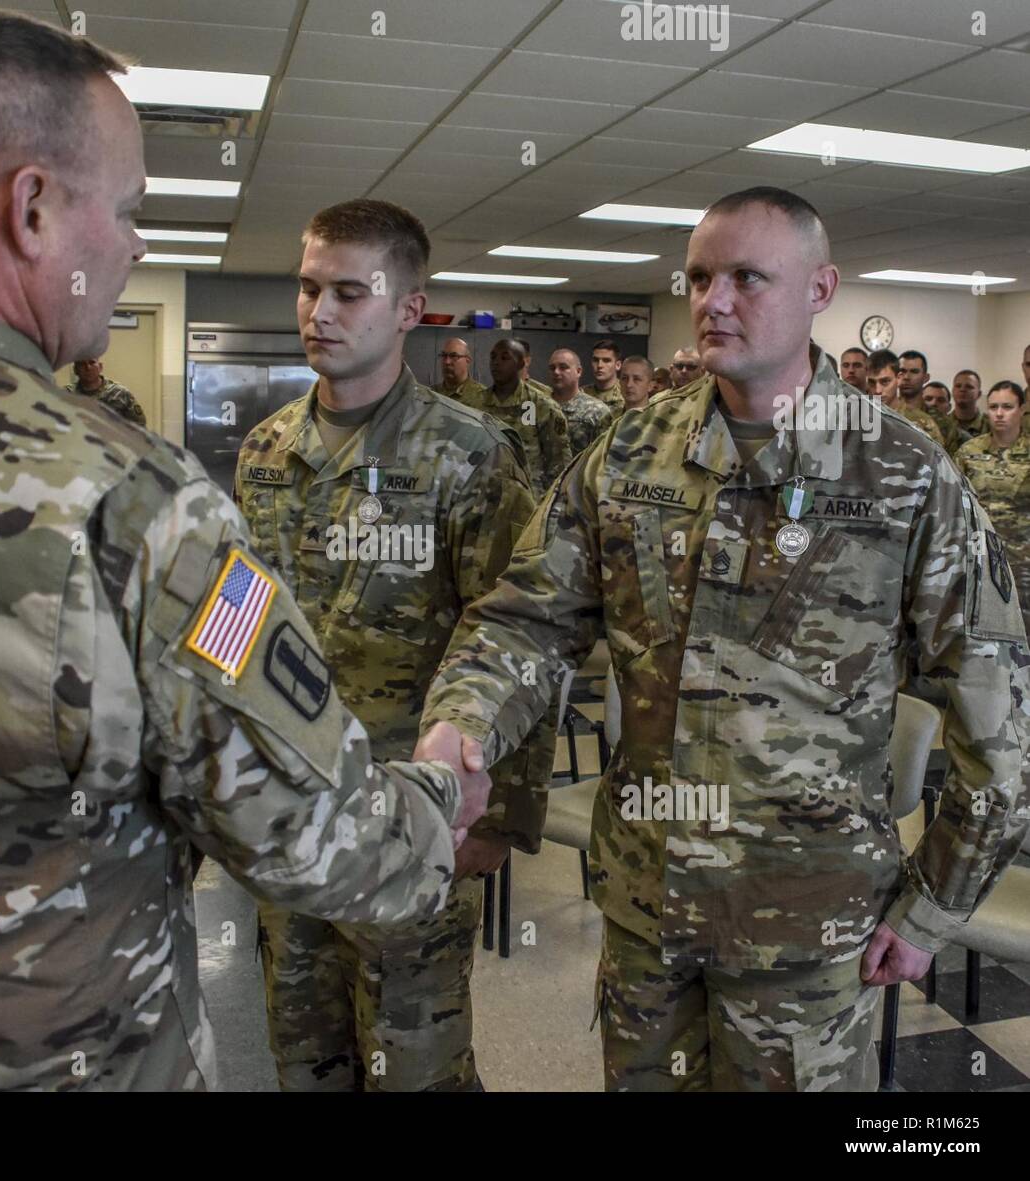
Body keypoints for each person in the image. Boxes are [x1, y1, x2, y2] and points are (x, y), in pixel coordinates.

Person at [0, 11, 492, 1093]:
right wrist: (436, 805)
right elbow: (308, 832)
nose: (134, 245)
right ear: (33, 207)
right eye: (128, 211)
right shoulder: (132, 501)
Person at [415, 186, 1030, 1093]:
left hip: (813, 937)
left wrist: (937, 902)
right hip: (646, 912)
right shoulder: (630, 454)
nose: (714, 300)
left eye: (748, 276)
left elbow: (998, 711)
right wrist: (461, 724)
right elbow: (523, 616)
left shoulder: (903, 472)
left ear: (820, 289)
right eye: (700, 277)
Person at [234, 198, 546, 1093]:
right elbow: (243, 623)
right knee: (305, 1051)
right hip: (291, 809)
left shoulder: (467, 454)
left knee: (417, 1061)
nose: (318, 312)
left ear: (410, 309)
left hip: (412, 813)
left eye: (347, 291)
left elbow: (521, 633)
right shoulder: (267, 448)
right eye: (306, 289)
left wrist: (501, 812)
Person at [956, 381, 1030, 637]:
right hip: (982, 559)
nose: (999, 413)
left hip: (1024, 562)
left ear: (1022, 409)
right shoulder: (969, 452)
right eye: (994, 406)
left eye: (1007, 407)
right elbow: (956, 506)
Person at [456, 337, 571, 499]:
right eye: (493, 357)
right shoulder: (473, 403)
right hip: (481, 498)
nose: (496, 362)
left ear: (521, 363)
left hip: (527, 499)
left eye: (505, 358)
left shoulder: (541, 405)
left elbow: (559, 463)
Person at [865, 348, 945, 446]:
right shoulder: (857, 420)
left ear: (899, 378)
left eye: (885, 382)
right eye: (872, 382)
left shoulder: (922, 423)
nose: (878, 390)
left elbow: (937, 459)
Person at [549, 346, 613, 453]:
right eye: (552, 368)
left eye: (563, 367)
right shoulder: (535, 405)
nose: (556, 372)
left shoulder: (597, 411)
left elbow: (603, 456)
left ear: (578, 371)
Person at [899, 349, 961, 453]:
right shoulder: (883, 413)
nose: (906, 377)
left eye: (914, 372)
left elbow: (949, 465)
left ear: (926, 378)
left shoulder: (943, 423)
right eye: (902, 371)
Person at [65, 355, 146, 426]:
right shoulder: (66, 394)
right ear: (75, 370)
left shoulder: (120, 393)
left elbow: (139, 426)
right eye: (82, 364)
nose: (88, 367)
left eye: (92, 362)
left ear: (100, 367)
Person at [434, 336, 486, 400]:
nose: (447, 362)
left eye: (454, 356)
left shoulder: (482, 396)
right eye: (444, 355)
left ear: (468, 360)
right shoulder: (432, 393)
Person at [582, 338, 625, 414]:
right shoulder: (582, 394)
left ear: (618, 365)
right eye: (596, 360)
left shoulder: (627, 392)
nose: (599, 365)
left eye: (606, 360)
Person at [952, 369, 989, 439]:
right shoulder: (942, 424)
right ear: (952, 391)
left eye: (969, 387)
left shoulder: (990, 425)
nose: (962, 389)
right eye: (958, 386)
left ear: (979, 394)